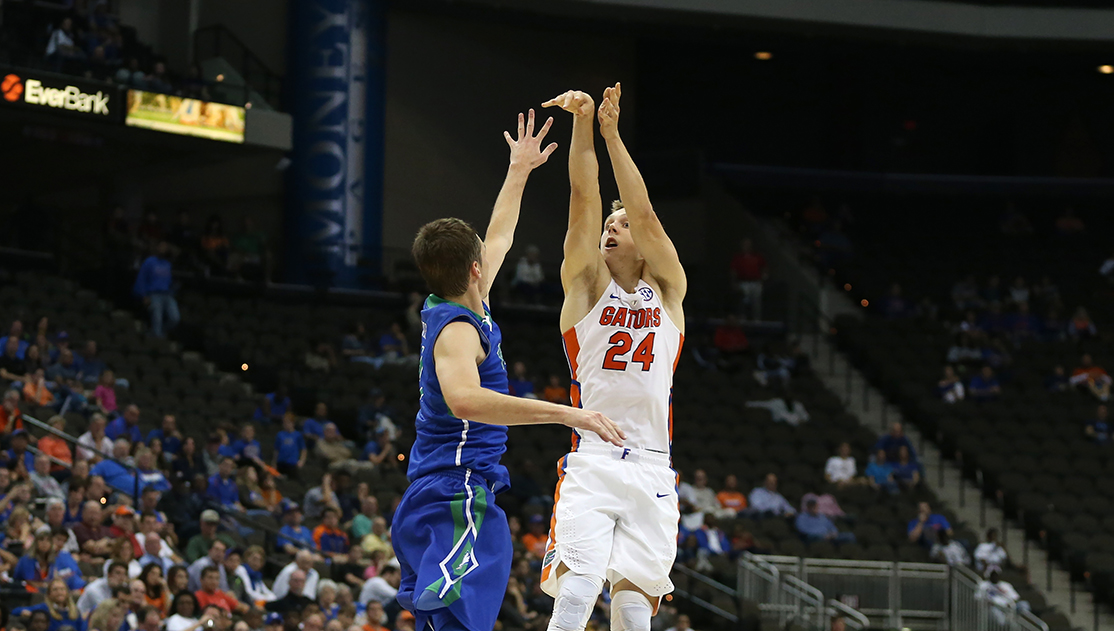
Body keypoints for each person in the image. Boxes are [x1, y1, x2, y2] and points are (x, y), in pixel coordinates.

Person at [391, 107, 622, 631]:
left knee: (457, 615)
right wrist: (569, 415)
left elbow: (499, 235)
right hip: (454, 488)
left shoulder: (463, 298)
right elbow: (465, 400)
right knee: (457, 616)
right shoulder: (456, 331)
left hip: (457, 489)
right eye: (482, 258)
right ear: (474, 270)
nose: (489, 258)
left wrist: (519, 170)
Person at [539, 83, 685, 631]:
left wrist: (612, 134)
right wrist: (583, 127)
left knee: (631, 609)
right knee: (575, 591)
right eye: (610, 224)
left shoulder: (669, 292)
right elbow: (583, 201)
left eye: (619, 226)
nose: (610, 227)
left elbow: (644, 213)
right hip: (595, 458)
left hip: (652, 463)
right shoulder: (583, 285)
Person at [133, 242, 180, 338]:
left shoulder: (168, 264)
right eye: (161, 246)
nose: (163, 249)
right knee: (157, 319)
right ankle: (157, 339)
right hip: (154, 295)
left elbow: (169, 281)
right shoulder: (149, 261)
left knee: (175, 318)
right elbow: (141, 278)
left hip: (167, 294)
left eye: (165, 247)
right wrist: (143, 295)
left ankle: (159, 332)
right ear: (157, 248)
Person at [13, 577, 85, 631]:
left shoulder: (75, 611)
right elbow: (16, 611)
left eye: (62, 589)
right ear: (49, 594)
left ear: (67, 593)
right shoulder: (44, 608)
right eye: (55, 589)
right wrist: (26, 612)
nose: (59, 592)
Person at [730, 238, 767, 320]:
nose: (746, 246)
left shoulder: (757, 256)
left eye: (748, 244)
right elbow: (733, 271)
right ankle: (743, 319)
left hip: (756, 283)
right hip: (743, 283)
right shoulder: (738, 257)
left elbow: (764, 269)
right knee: (744, 301)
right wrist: (734, 282)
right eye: (745, 244)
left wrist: (763, 279)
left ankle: (757, 320)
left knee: (756, 303)